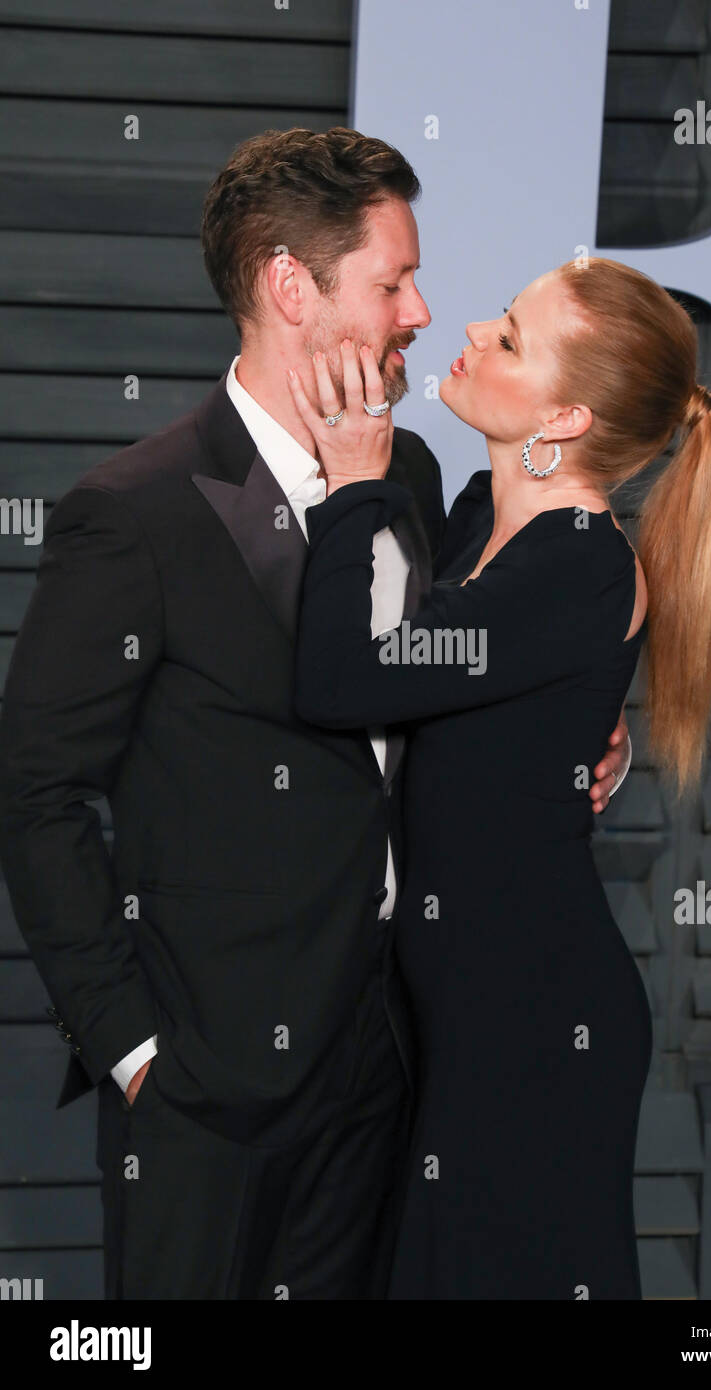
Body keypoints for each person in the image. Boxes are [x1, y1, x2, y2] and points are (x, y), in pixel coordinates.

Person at [0, 129, 629, 1300]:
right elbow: (33, 792)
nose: (420, 309)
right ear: (293, 286)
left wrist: (593, 732)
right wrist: (131, 1047)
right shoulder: (132, 513)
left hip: (389, 1066)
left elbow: (470, 668)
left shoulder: (415, 482)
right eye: (391, 282)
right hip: (203, 1090)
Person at [290, 256, 711, 1299]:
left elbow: (344, 680)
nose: (475, 333)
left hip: (533, 1026)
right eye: (499, 315)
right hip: (459, 1014)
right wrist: (585, 735)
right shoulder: (472, 528)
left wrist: (352, 484)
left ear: (565, 418)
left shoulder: (575, 558)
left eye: (509, 339)